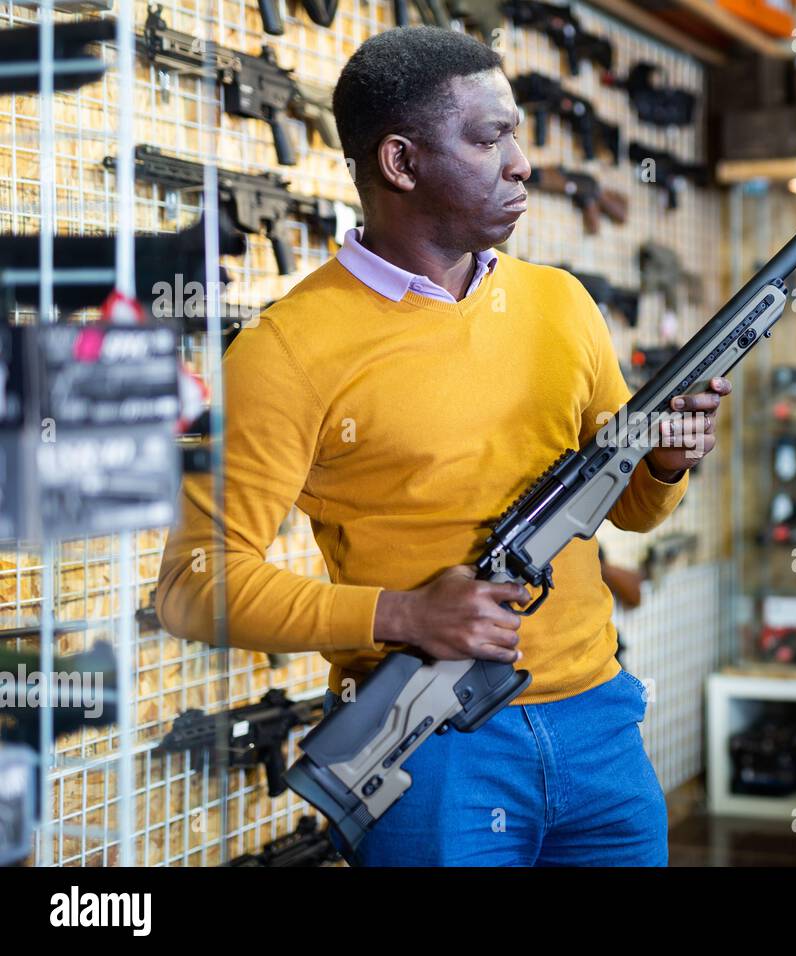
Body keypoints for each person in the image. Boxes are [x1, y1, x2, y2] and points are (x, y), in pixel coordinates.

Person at [154, 26, 730, 866]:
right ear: (400, 162)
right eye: (489, 137)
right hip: (433, 753)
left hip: (600, 725)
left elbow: (634, 508)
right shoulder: (286, 349)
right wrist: (403, 614)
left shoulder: (562, 304)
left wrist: (670, 457)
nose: (520, 163)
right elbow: (192, 584)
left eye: (518, 136)